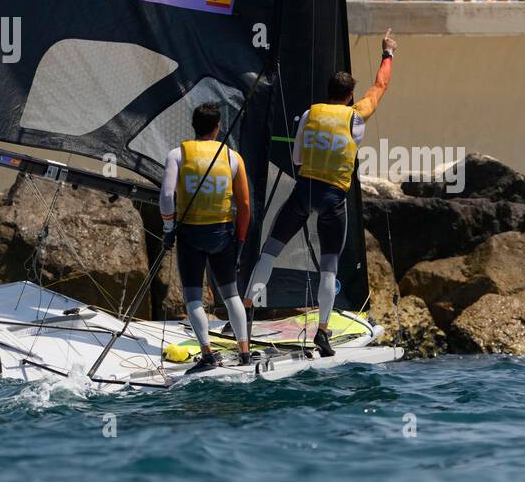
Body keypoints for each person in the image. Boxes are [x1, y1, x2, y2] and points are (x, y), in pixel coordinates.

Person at [246, 30, 398, 356]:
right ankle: (323, 333)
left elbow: (298, 158)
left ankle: (243, 314)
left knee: (270, 251)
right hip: (333, 198)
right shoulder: (357, 116)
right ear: (349, 95)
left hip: (305, 191)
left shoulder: (310, 114)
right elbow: (381, 86)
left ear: (328, 92)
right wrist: (388, 53)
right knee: (329, 268)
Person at [159, 102, 253, 369]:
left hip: (190, 235)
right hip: (222, 234)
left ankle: (208, 354)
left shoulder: (177, 154)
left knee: (193, 298)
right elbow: (245, 206)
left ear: (193, 126)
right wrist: (241, 240)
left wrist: (168, 230)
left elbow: (166, 196)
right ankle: (244, 352)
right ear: (218, 127)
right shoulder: (233, 157)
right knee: (231, 294)